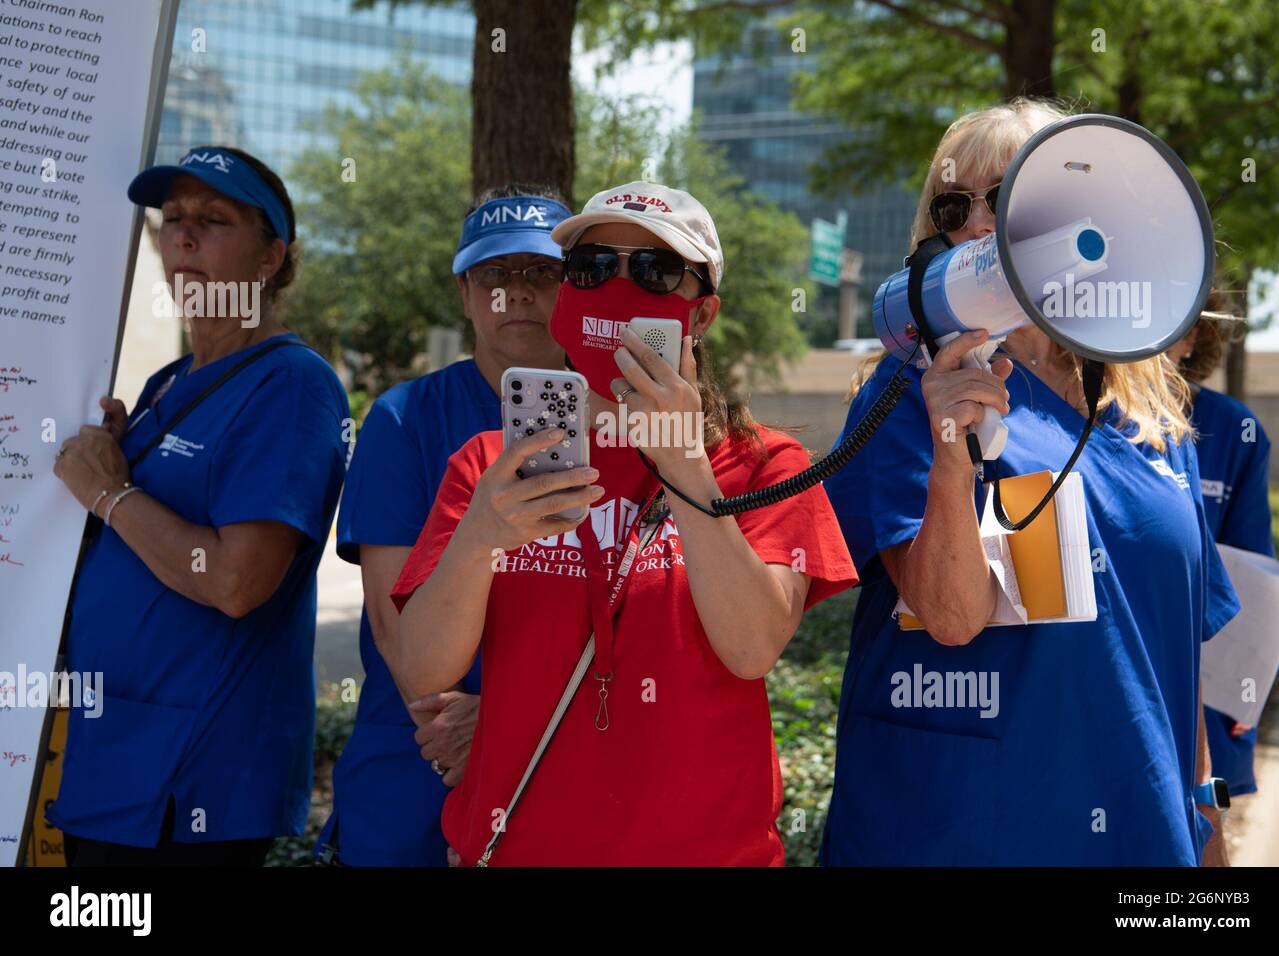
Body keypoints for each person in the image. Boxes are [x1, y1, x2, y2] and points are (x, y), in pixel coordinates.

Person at [820, 100, 1240, 866]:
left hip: (1143, 837)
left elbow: (1172, 651)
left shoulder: (1151, 421)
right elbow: (950, 616)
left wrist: (1206, 821)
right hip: (963, 835)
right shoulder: (907, 394)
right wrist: (951, 450)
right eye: (956, 206)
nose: (981, 225)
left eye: (1013, 198)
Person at [390, 181, 857, 866]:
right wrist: (479, 540)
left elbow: (752, 646)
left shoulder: (763, 463)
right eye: (592, 267)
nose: (618, 285)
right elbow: (426, 667)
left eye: (655, 270)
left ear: (701, 315)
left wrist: (685, 465)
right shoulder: (490, 465)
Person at [48, 145, 350, 866]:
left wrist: (111, 493)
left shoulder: (293, 386)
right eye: (171, 217)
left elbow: (237, 583)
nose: (182, 235)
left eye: (213, 219)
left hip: (193, 783)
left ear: (271, 254)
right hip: (116, 758)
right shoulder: (166, 381)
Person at [315, 185, 573, 866]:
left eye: (541, 272)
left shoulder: (623, 417)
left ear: (575, 284)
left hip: (567, 771)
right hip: (415, 778)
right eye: (493, 274)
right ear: (465, 295)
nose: (516, 293)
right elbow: (391, 613)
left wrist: (506, 731)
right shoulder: (404, 417)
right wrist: (461, 742)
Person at [1168, 316, 1274, 799]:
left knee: (1203, 820)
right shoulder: (1081, 409)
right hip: (1117, 671)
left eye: (1180, 320)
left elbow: (1254, 582)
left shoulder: (1234, 431)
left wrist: (1244, 692)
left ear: (1196, 340)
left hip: (1208, 676)